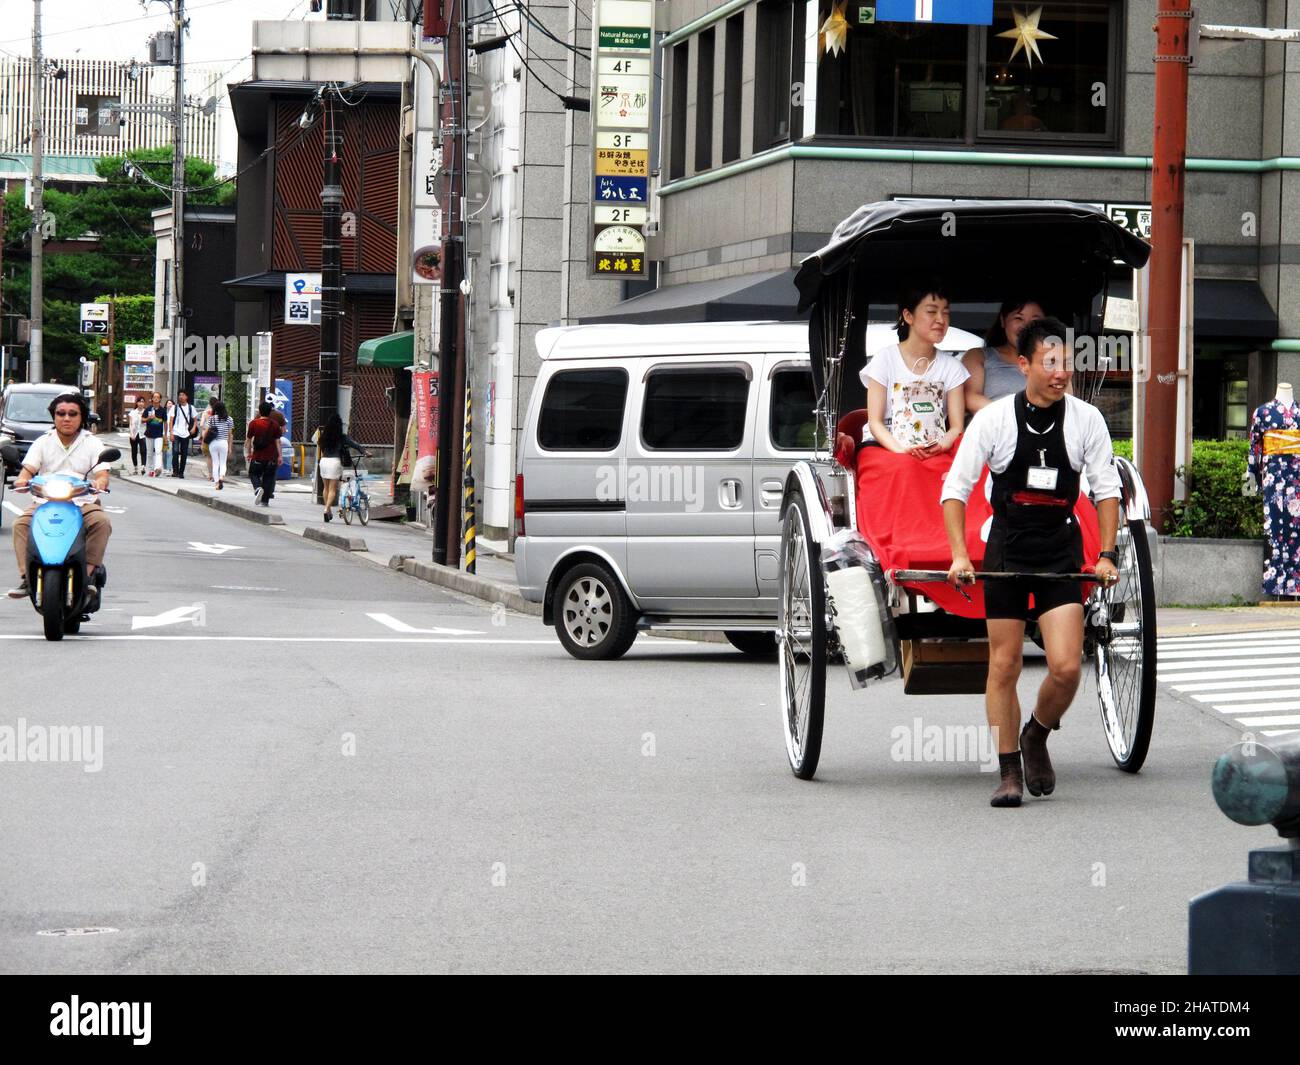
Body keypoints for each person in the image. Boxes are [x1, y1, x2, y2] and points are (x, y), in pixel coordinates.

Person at [941, 317, 1121, 808]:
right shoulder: (994, 419)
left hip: (1059, 548)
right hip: (1007, 549)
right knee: (1005, 663)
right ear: (1024, 365)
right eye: (1050, 362)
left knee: (1065, 669)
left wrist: (1104, 555)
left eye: (1066, 362)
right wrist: (960, 554)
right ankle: (1007, 773)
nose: (1061, 372)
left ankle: (1036, 733)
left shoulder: (1087, 420)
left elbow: (1106, 491)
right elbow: (954, 490)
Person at [7, 393, 113, 601]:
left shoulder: (92, 443)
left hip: (82, 501)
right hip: (46, 502)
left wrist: (98, 483)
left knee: (102, 522)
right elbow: (27, 470)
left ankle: (89, 575)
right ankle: (26, 577)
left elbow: (102, 475)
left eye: (72, 414)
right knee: (20, 524)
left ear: (81, 417)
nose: (66, 418)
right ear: (54, 416)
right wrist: (22, 480)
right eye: (61, 413)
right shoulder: (43, 442)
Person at [862, 282, 968, 459]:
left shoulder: (953, 367)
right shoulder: (885, 359)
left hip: (934, 449)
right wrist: (902, 452)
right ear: (908, 316)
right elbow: (875, 422)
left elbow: (956, 427)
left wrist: (940, 445)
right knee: (902, 471)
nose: (941, 320)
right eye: (931, 312)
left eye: (946, 313)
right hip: (884, 447)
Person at [963, 298, 1046, 413]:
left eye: (1035, 321)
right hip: (994, 427)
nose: (1027, 326)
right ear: (1003, 320)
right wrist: (1013, 416)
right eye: (1018, 318)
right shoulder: (978, 356)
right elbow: (970, 398)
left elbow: (1065, 403)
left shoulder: (1053, 363)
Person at [313, 414, 370, 522]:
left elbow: (320, 447)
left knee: (325, 488)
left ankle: (328, 510)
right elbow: (355, 445)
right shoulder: (341, 437)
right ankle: (326, 509)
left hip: (324, 461)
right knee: (332, 489)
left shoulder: (323, 437)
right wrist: (365, 452)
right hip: (335, 462)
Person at [245, 400, 282, 506]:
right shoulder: (275, 424)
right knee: (269, 478)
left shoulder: (254, 423)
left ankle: (257, 488)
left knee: (253, 473)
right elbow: (278, 441)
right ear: (270, 412)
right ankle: (265, 501)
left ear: (260, 411)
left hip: (257, 456)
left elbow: (248, 440)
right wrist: (280, 456)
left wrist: (248, 453)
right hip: (271, 456)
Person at [168, 390, 198, 478]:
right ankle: (175, 471)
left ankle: (181, 472)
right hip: (176, 432)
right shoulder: (175, 407)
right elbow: (171, 420)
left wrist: (193, 427)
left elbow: (195, 419)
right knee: (175, 452)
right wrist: (171, 433)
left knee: (184, 453)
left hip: (186, 433)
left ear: (186, 397)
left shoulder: (190, 408)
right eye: (180, 395)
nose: (181, 396)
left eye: (183, 395)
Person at [206, 400, 234, 490]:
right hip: (223, 442)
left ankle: (217, 483)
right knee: (223, 463)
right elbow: (230, 434)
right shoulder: (229, 419)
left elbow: (208, 430)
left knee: (215, 463)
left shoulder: (212, 418)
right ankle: (222, 477)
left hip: (213, 443)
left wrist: (204, 440)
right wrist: (230, 447)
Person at [143, 391, 167, 476]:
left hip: (159, 434)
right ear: (152, 399)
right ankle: (149, 470)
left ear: (160, 399)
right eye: (154, 397)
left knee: (158, 451)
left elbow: (165, 422)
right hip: (149, 433)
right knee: (149, 453)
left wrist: (165, 434)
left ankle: (158, 468)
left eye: (158, 397)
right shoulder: (148, 409)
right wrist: (149, 418)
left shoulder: (163, 410)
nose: (156, 398)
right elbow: (142, 420)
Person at [127, 395, 148, 475]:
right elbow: (131, 424)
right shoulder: (133, 412)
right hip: (134, 434)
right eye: (139, 402)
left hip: (143, 434)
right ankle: (135, 467)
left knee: (143, 450)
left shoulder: (146, 412)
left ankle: (143, 467)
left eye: (142, 402)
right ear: (137, 403)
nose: (141, 403)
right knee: (134, 451)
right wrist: (131, 434)